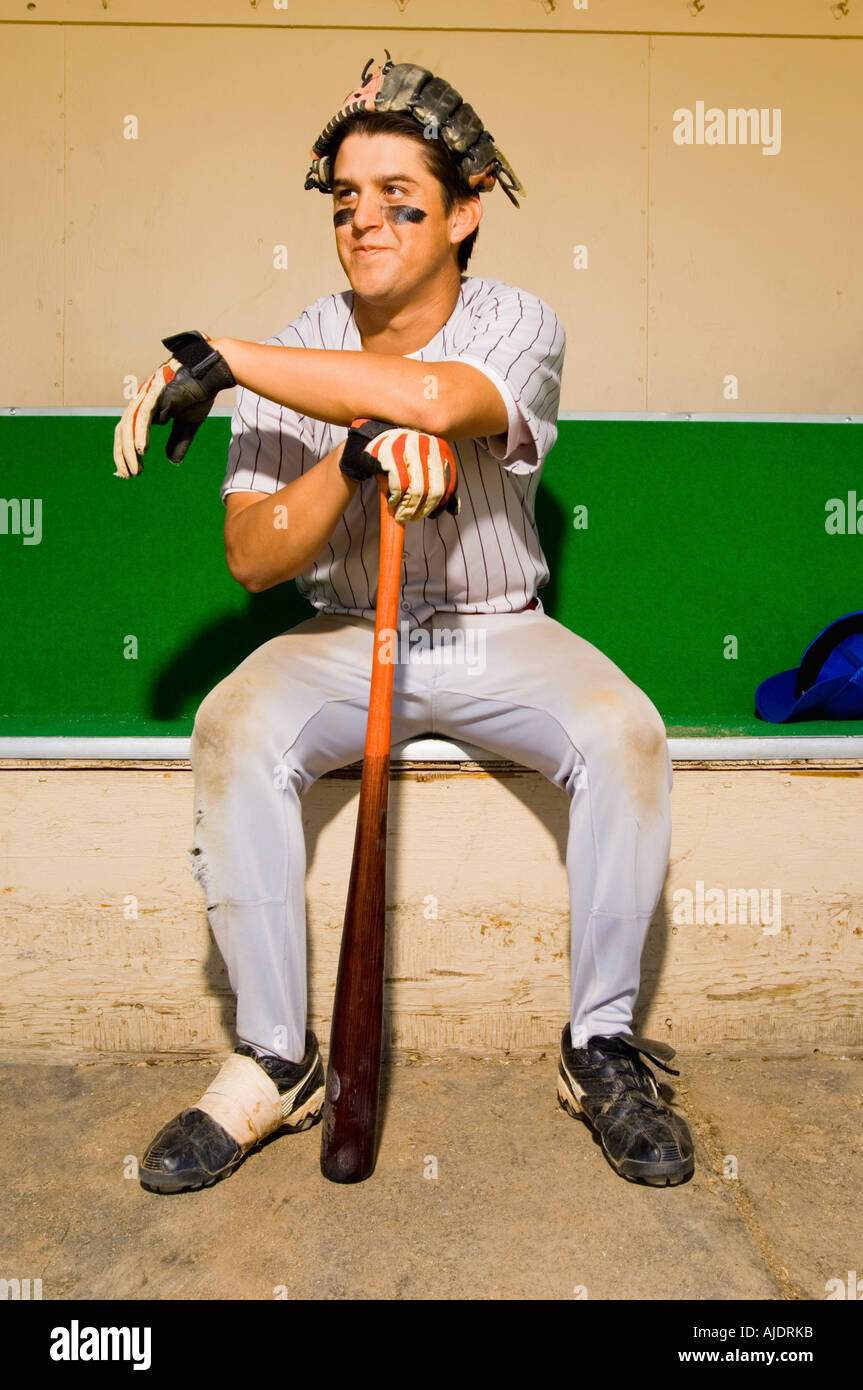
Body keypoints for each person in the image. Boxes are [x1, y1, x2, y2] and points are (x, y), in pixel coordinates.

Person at [114, 55, 694, 1193]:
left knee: (625, 733)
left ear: (465, 209)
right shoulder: (300, 337)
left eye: (397, 196)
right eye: (343, 199)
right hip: (344, 635)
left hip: (497, 629)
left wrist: (235, 365)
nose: (363, 219)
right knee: (232, 725)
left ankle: (600, 1045)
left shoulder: (516, 320)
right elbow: (250, 557)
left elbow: (439, 398)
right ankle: (276, 1058)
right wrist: (349, 456)